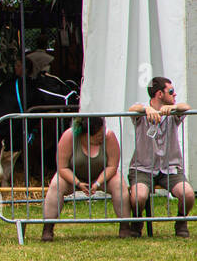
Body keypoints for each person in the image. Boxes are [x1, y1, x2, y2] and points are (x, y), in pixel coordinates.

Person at [125, 77, 193, 238]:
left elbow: (187, 106)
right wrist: (146, 109)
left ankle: (181, 221)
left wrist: (174, 107)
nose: (174, 94)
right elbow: (131, 109)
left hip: (169, 167)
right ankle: (137, 221)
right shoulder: (143, 112)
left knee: (188, 194)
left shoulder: (173, 111)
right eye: (171, 91)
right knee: (138, 196)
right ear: (159, 94)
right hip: (143, 167)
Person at [40, 115, 125, 242]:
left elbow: (112, 166)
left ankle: (125, 226)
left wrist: (97, 183)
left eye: (104, 131)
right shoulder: (69, 136)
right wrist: (78, 183)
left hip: (102, 176)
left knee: (119, 183)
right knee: (56, 184)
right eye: (98, 135)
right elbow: (62, 167)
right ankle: (47, 228)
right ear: (85, 135)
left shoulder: (109, 137)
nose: (102, 136)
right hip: (73, 176)